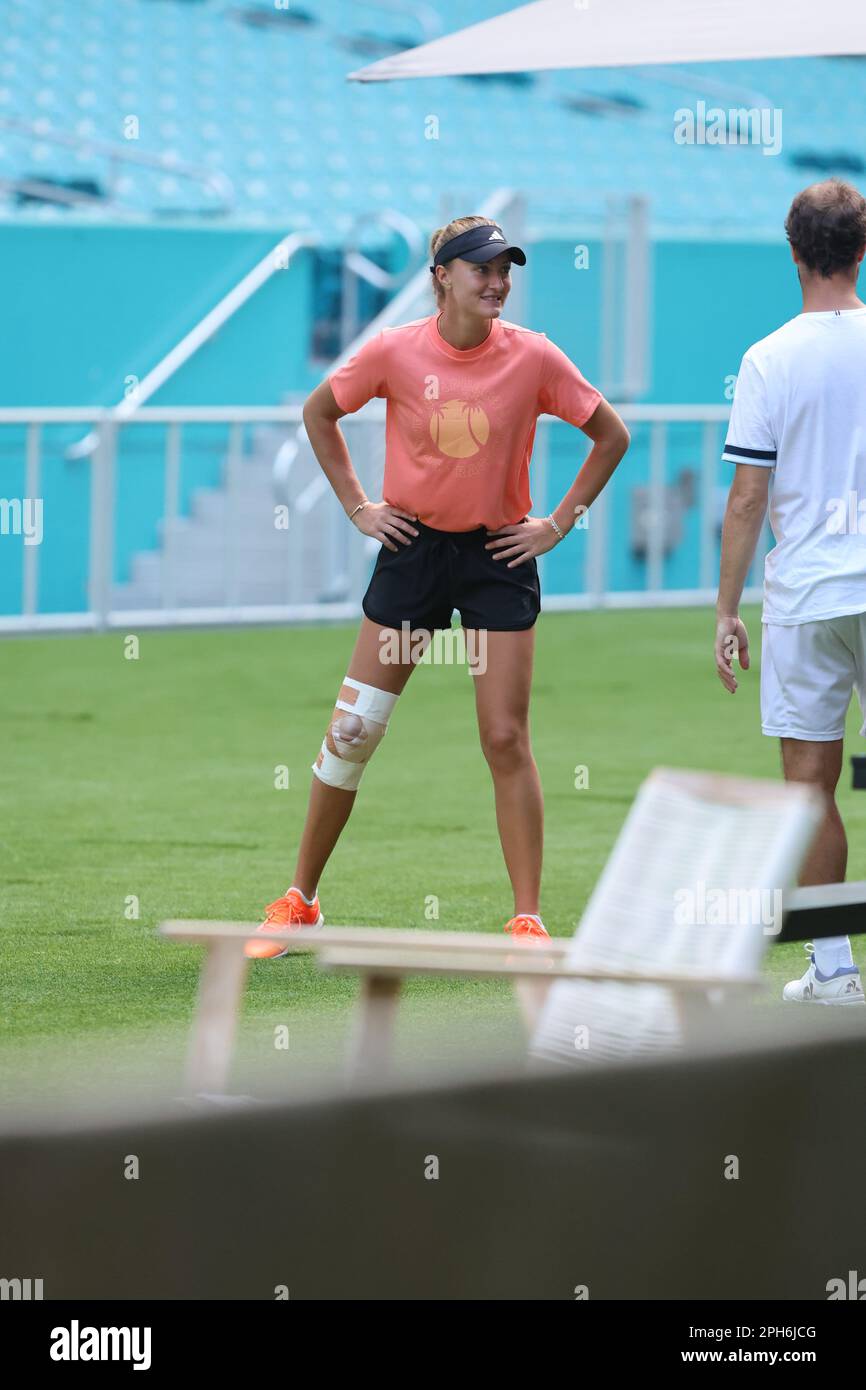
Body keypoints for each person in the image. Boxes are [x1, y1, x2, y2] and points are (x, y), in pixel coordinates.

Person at [246, 214, 629, 959]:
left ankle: (527, 921)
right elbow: (320, 412)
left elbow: (610, 434)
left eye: (505, 269)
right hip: (412, 552)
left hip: (497, 557)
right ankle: (300, 903)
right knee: (353, 731)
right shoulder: (393, 351)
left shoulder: (536, 357)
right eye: (482, 269)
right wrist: (360, 506)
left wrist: (556, 523)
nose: (498, 282)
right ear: (441, 277)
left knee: (504, 737)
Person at [715, 178, 866, 1004]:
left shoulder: (769, 357)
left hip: (808, 596)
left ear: (793, 249)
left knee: (808, 787)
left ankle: (835, 970)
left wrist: (726, 609)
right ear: (862, 248)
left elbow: (747, 498)